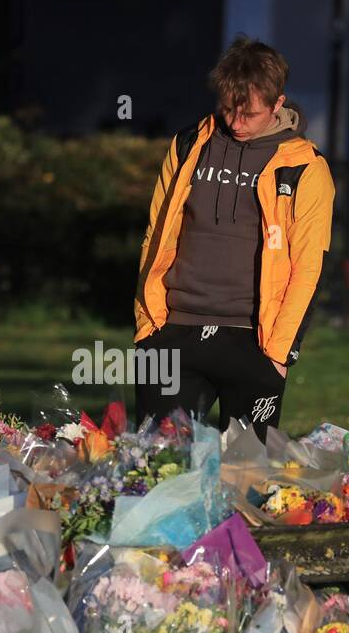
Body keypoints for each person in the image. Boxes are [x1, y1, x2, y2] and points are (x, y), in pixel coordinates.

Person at [133, 36, 334, 441]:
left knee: (247, 482)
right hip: (173, 328)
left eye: (250, 113)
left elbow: (309, 264)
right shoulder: (190, 144)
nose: (236, 123)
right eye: (227, 109)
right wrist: (146, 327)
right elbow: (157, 231)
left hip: (254, 341)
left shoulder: (305, 167)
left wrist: (280, 354)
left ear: (278, 105)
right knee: (156, 471)